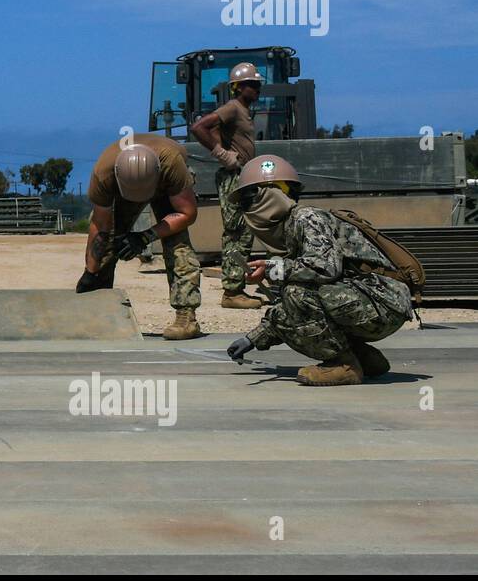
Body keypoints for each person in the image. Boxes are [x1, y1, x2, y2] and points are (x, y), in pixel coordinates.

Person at [225, 155, 409, 385]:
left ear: (271, 194)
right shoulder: (290, 229)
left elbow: (325, 267)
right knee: (293, 297)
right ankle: (366, 359)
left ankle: (343, 366)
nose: (247, 208)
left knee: (295, 292)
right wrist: (251, 339)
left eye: (248, 199)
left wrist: (271, 268)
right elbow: (292, 310)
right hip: (373, 302)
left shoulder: (306, 217)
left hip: (382, 302)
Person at [76, 133, 203, 339]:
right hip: (123, 190)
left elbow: (188, 214)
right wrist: (91, 272)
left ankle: (186, 316)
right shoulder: (104, 174)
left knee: (176, 241)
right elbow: (100, 226)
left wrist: (145, 236)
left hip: (166, 187)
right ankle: (99, 310)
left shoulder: (172, 165)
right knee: (108, 241)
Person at [190, 62, 265, 309]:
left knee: (243, 232)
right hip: (234, 178)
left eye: (258, 84)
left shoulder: (243, 110)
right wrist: (222, 154)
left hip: (244, 177)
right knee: (236, 232)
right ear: (239, 87)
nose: (258, 89)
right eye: (253, 85)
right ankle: (232, 292)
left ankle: (235, 289)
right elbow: (199, 127)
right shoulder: (232, 108)